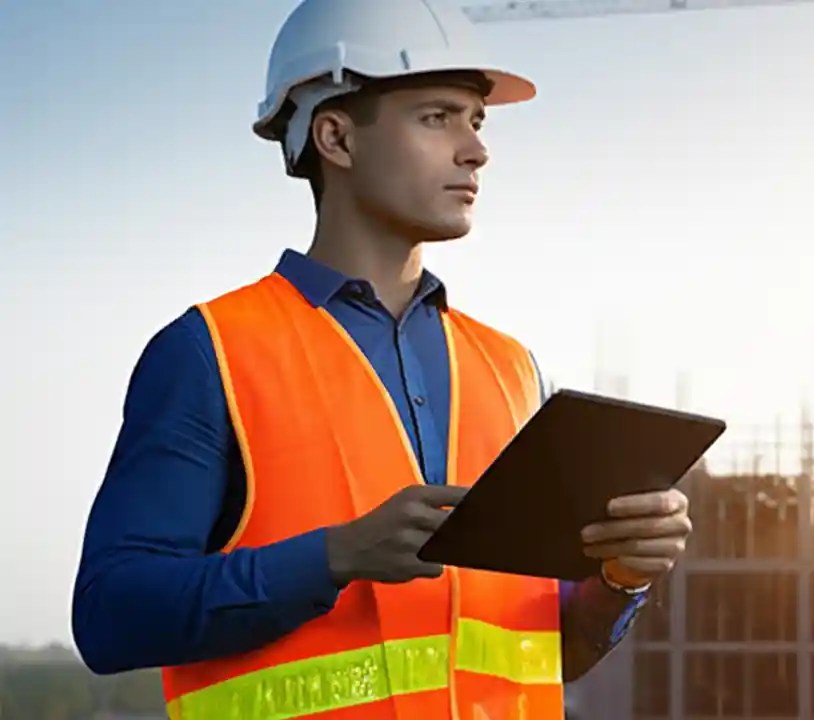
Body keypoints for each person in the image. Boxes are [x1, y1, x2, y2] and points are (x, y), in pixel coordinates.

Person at [70, 0, 693, 717]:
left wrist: (619, 578)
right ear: (336, 137)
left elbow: (552, 650)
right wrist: (335, 555)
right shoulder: (211, 353)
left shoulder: (512, 370)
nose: (476, 150)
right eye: (437, 117)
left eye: (477, 120)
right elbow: (111, 617)